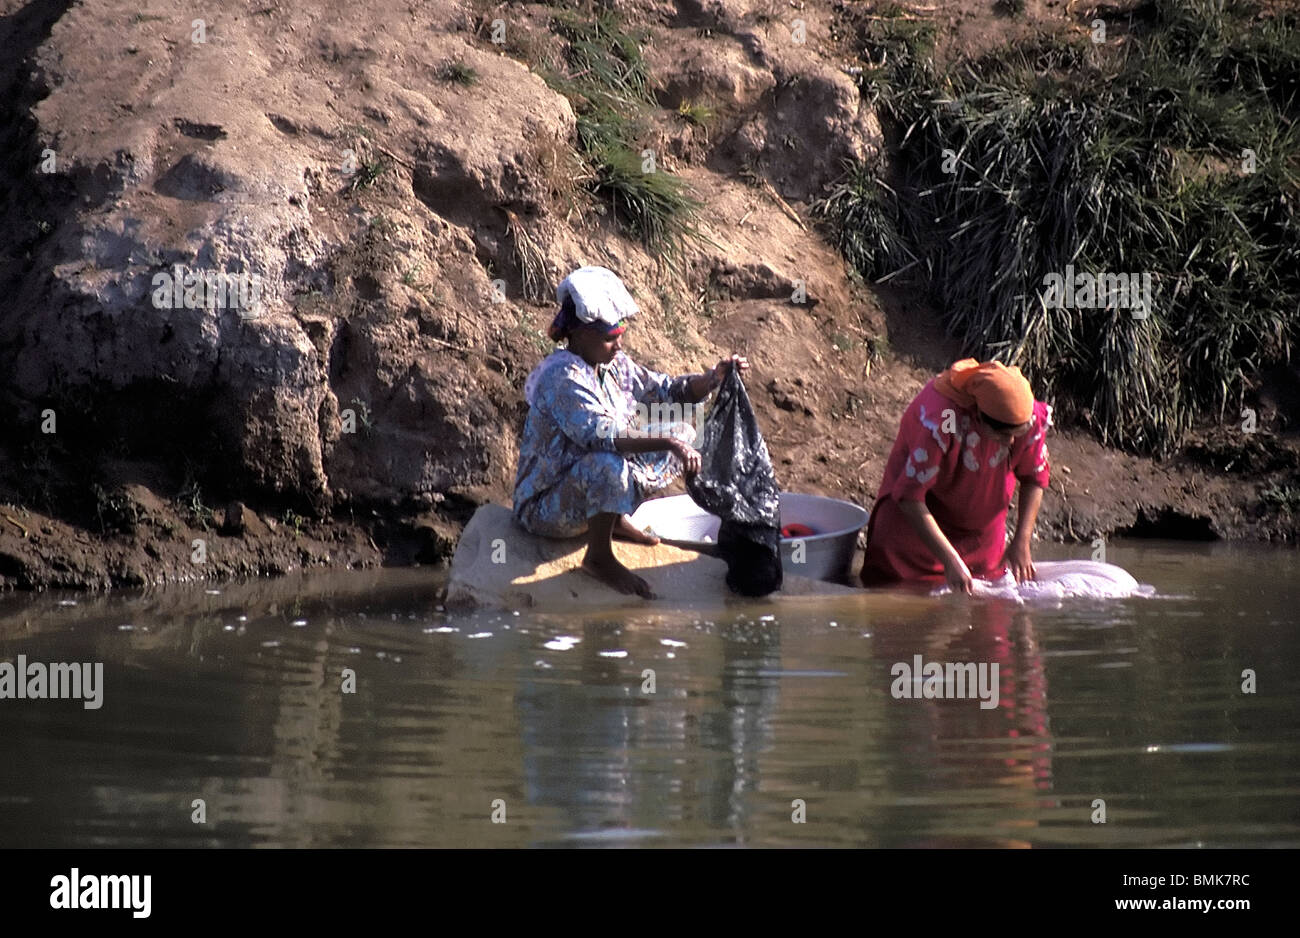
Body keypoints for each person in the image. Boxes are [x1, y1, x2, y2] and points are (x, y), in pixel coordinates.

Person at [513, 266, 749, 598]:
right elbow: (602, 435)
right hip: (545, 506)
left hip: (586, 484)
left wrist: (712, 378)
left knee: (684, 426)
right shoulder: (562, 378)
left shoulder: (613, 365)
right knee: (610, 465)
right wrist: (669, 442)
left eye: (620, 335)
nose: (619, 345)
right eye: (610, 338)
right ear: (580, 335)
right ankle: (598, 557)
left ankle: (613, 518)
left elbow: (665, 391)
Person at [860, 358, 1051, 594]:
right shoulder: (944, 420)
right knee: (904, 612)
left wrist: (1022, 540)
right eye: (1004, 435)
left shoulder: (1025, 416)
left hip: (982, 544)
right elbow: (910, 496)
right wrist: (949, 558)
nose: (1011, 442)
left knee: (986, 621)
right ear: (979, 417)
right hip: (914, 542)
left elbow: (1034, 477)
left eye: (1017, 434)